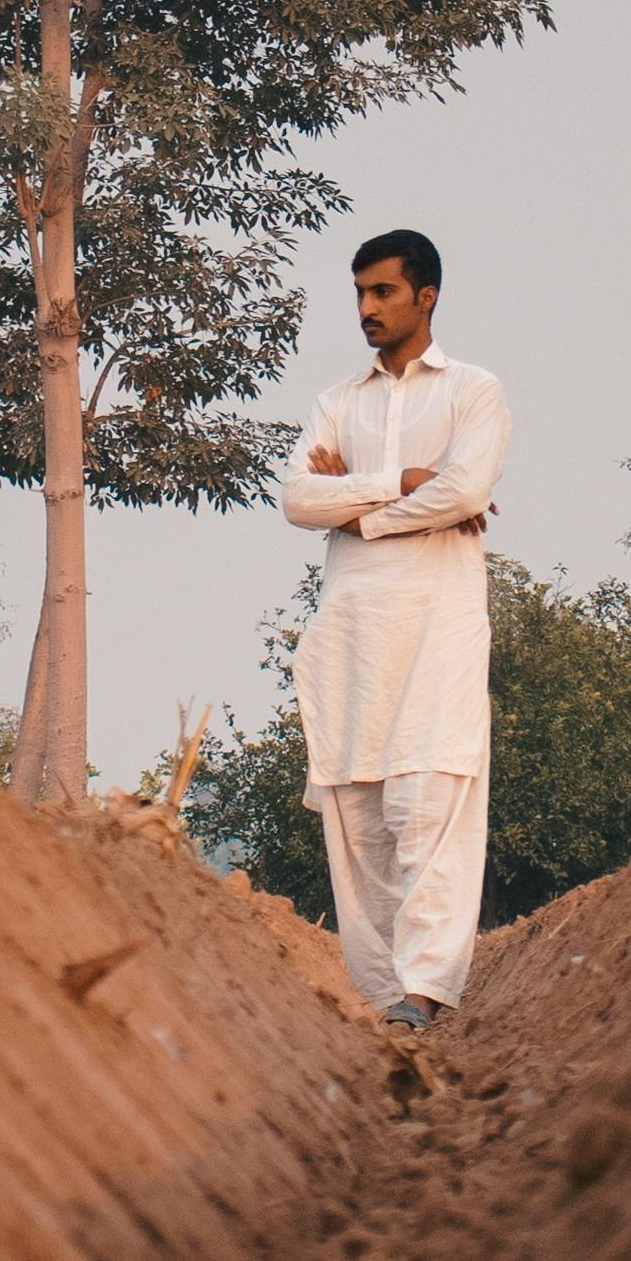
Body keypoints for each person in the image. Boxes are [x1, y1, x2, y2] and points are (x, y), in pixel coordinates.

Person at [280, 227, 507, 1032]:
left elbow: (466, 489)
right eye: (359, 294)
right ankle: (385, 1003)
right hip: (352, 630)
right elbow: (298, 499)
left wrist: (363, 516)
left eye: (382, 292)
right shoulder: (338, 401)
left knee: (429, 794)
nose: (367, 308)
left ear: (426, 295)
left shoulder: (474, 392)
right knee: (361, 811)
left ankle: (425, 989)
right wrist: (403, 481)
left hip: (438, 622)